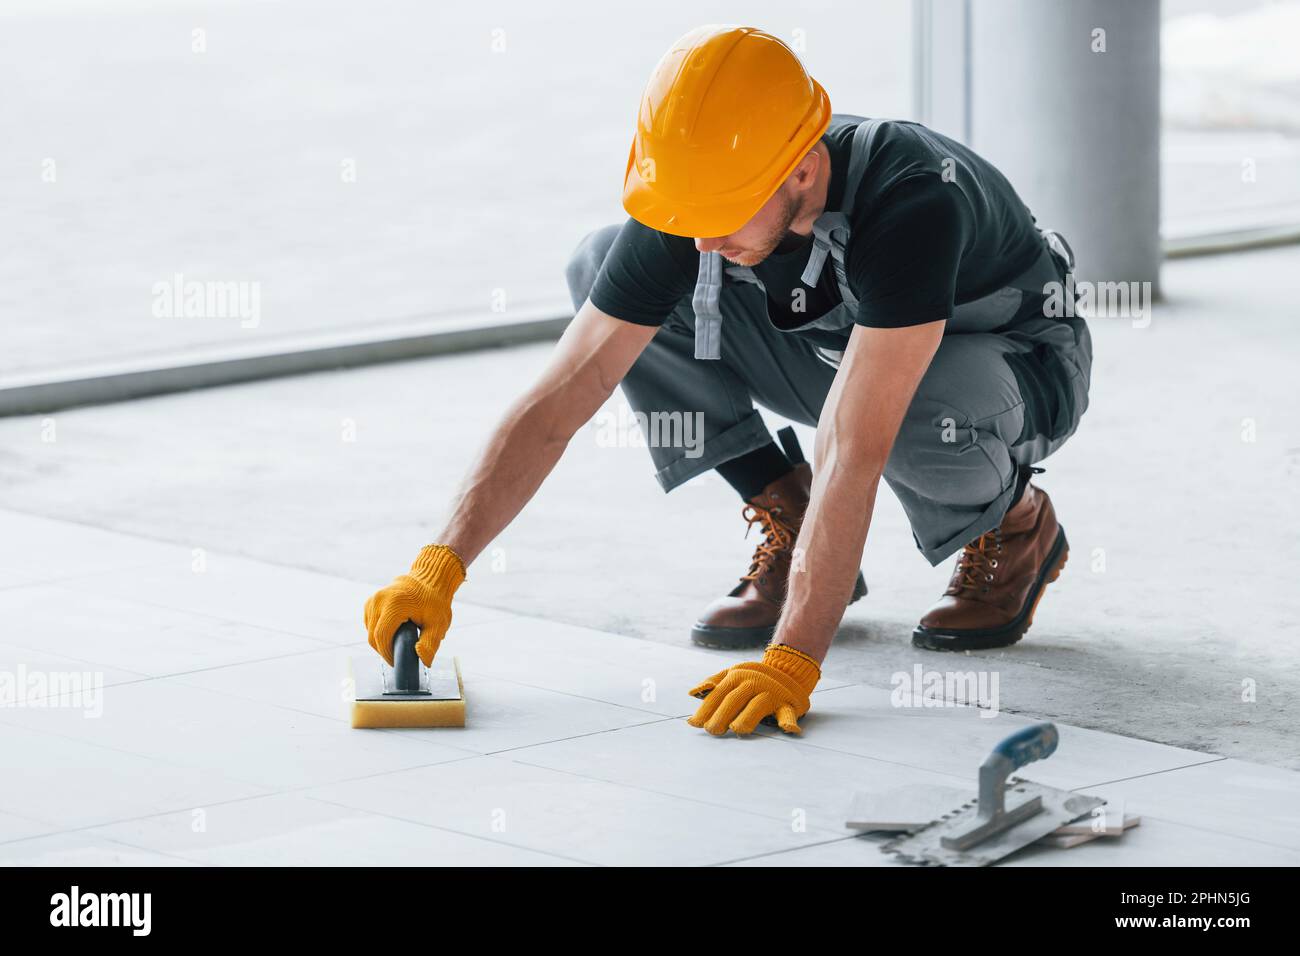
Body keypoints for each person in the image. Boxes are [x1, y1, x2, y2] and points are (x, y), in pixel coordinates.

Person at [364, 25, 1091, 738]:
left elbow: (853, 444)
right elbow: (559, 399)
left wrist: (793, 660)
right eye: (692, 217)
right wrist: (440, 565)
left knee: (913, 419)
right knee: (605, 266)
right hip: (839, 345)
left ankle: (1017, 523)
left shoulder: (912, 199)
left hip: (1010, 362)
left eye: (718, 217)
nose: (702, 240)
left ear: (803, 168)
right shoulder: (704, 190)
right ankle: (793, 518)